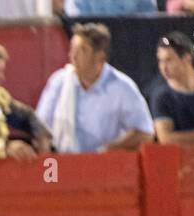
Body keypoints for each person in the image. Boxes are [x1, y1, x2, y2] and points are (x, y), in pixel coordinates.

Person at [36, 22, 154, 154]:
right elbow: (40, 126)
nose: (73, 56)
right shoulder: (58, 82)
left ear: (100, 57)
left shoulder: (123, 88)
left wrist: (109, 149)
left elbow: (145, 133)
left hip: (105, 167)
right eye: (72, 49)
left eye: (82, 50)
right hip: (61, 164)